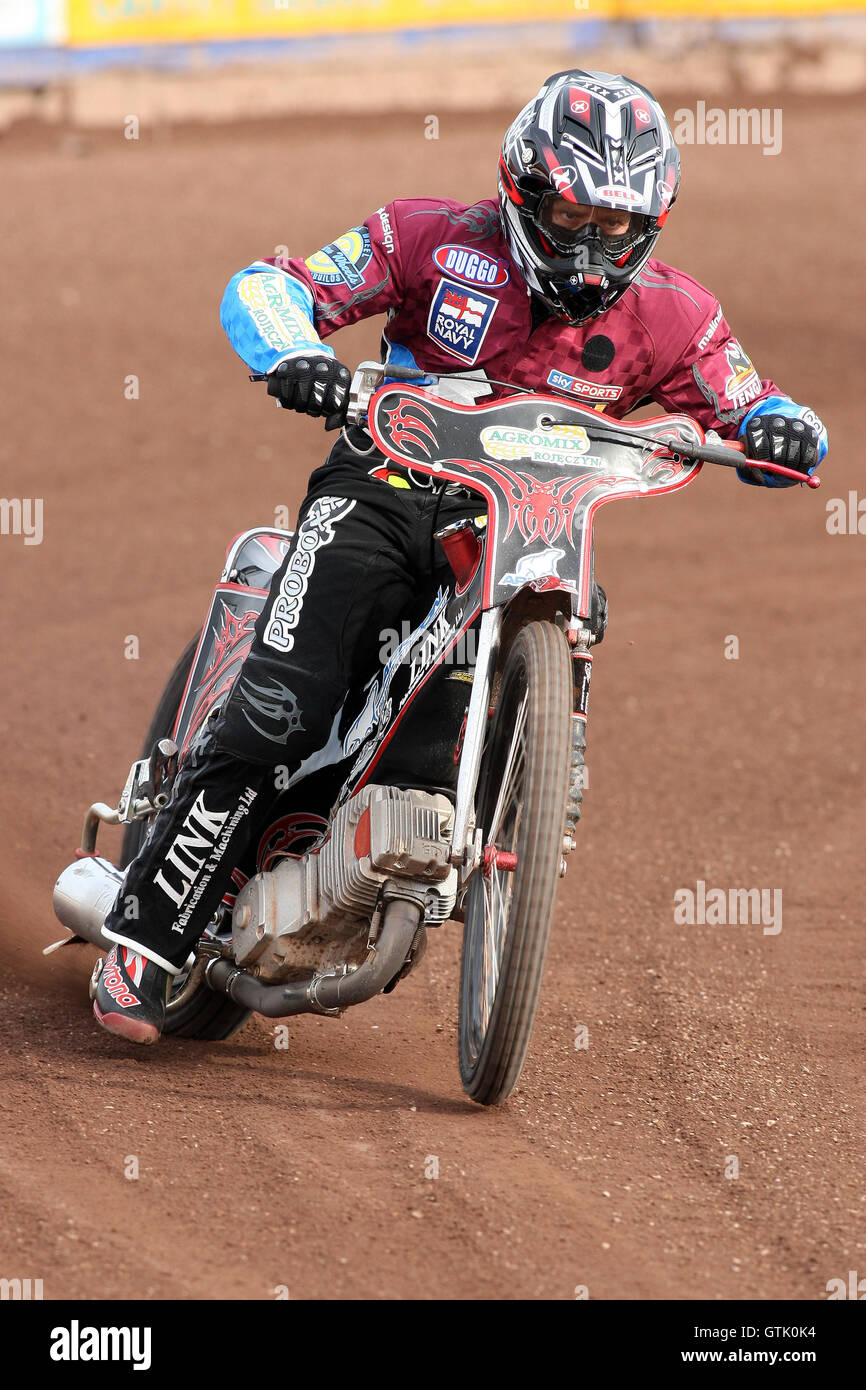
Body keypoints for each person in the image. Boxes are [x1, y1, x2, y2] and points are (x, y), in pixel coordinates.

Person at [93, 69, 827, 1043]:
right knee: (281, 711)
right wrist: (292, 353)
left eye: (617, 227)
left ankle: (518, 804)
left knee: (585, 606)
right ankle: (141, 939)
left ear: (652, 223)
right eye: (571, 216)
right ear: (521, 191)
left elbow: (756, 405)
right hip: (383, 490)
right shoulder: (425, 237)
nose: (592, 246)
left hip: (527, 525)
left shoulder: (673, 316)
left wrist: (785, 434)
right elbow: (273, 286)